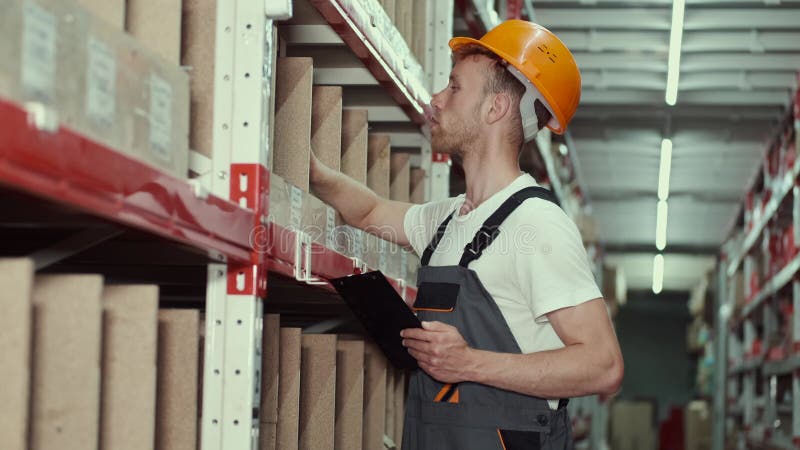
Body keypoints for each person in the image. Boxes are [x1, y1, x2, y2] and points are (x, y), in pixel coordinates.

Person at [310, 19, 623, 450]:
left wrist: (468, 363)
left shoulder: (536, 224)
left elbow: (603, 364)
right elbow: (368, 212)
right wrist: (310, 170)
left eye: (454, 87)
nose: (436, 99)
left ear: (495, 108)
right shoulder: (447, 220)